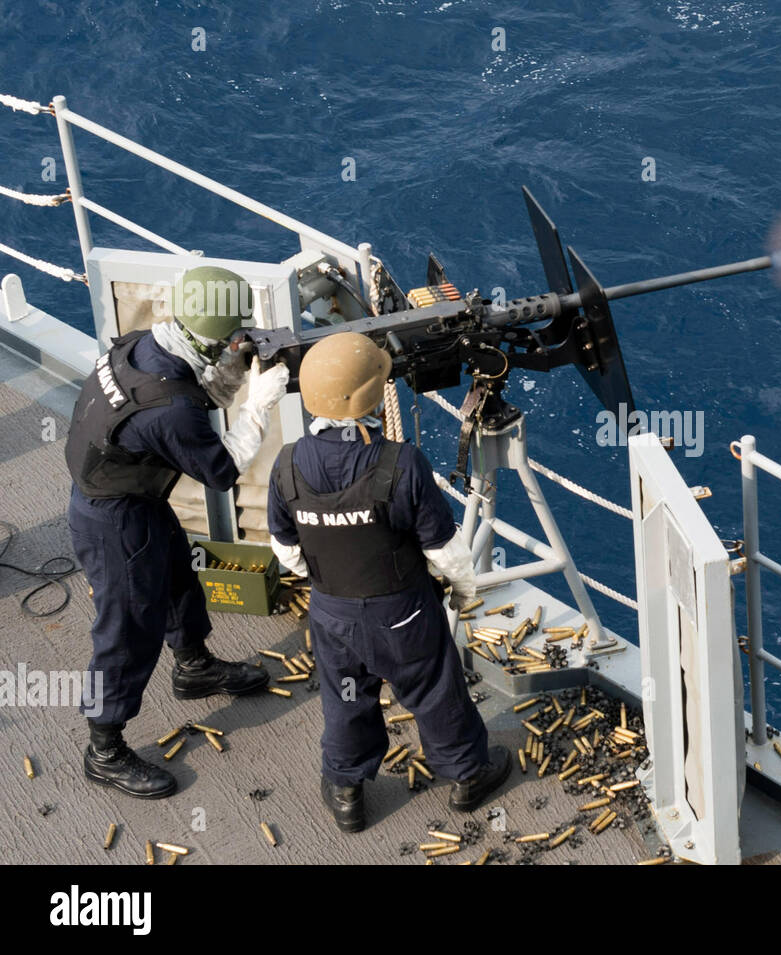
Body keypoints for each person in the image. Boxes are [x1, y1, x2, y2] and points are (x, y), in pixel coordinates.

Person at [265, 331, 509, 832]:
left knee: (347, 695)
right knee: (434, 690)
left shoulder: (286, 464)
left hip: (333, 613)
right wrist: (463, 591)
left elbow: (286, 548)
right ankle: (467, 776)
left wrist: (330, 577)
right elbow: (444, 550)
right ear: (374, 396)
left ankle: (347, 792)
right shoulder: (402, 464)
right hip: (403, 613)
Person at [65, 265, 290, 798]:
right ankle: (104, 748)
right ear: (213, 338)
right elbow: (221, 469)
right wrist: (257, 403)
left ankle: (194, 668)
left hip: (130, 498)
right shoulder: (170, 409)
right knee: (126, 630)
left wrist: (233, 368)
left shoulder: (145, 346)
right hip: (113, 517)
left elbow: (197, 388)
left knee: (177, 581)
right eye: (233, 338)